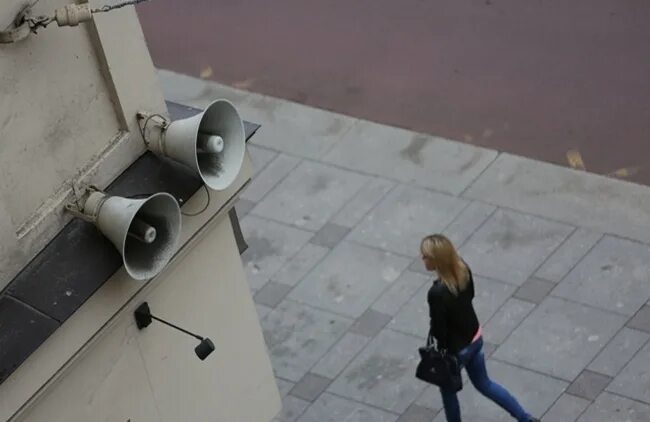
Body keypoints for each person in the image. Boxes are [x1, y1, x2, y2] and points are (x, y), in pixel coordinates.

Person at [420, 234, 539, 422]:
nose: (422, 259)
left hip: (455, 350)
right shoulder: (462, 269)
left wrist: (440, 346)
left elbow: (439, 331)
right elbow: (471, 295)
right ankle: (525, 418)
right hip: (475, 338)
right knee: (484, 384)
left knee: (448, 391)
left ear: (437, 260)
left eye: (426, 256)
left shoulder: (437, 293)